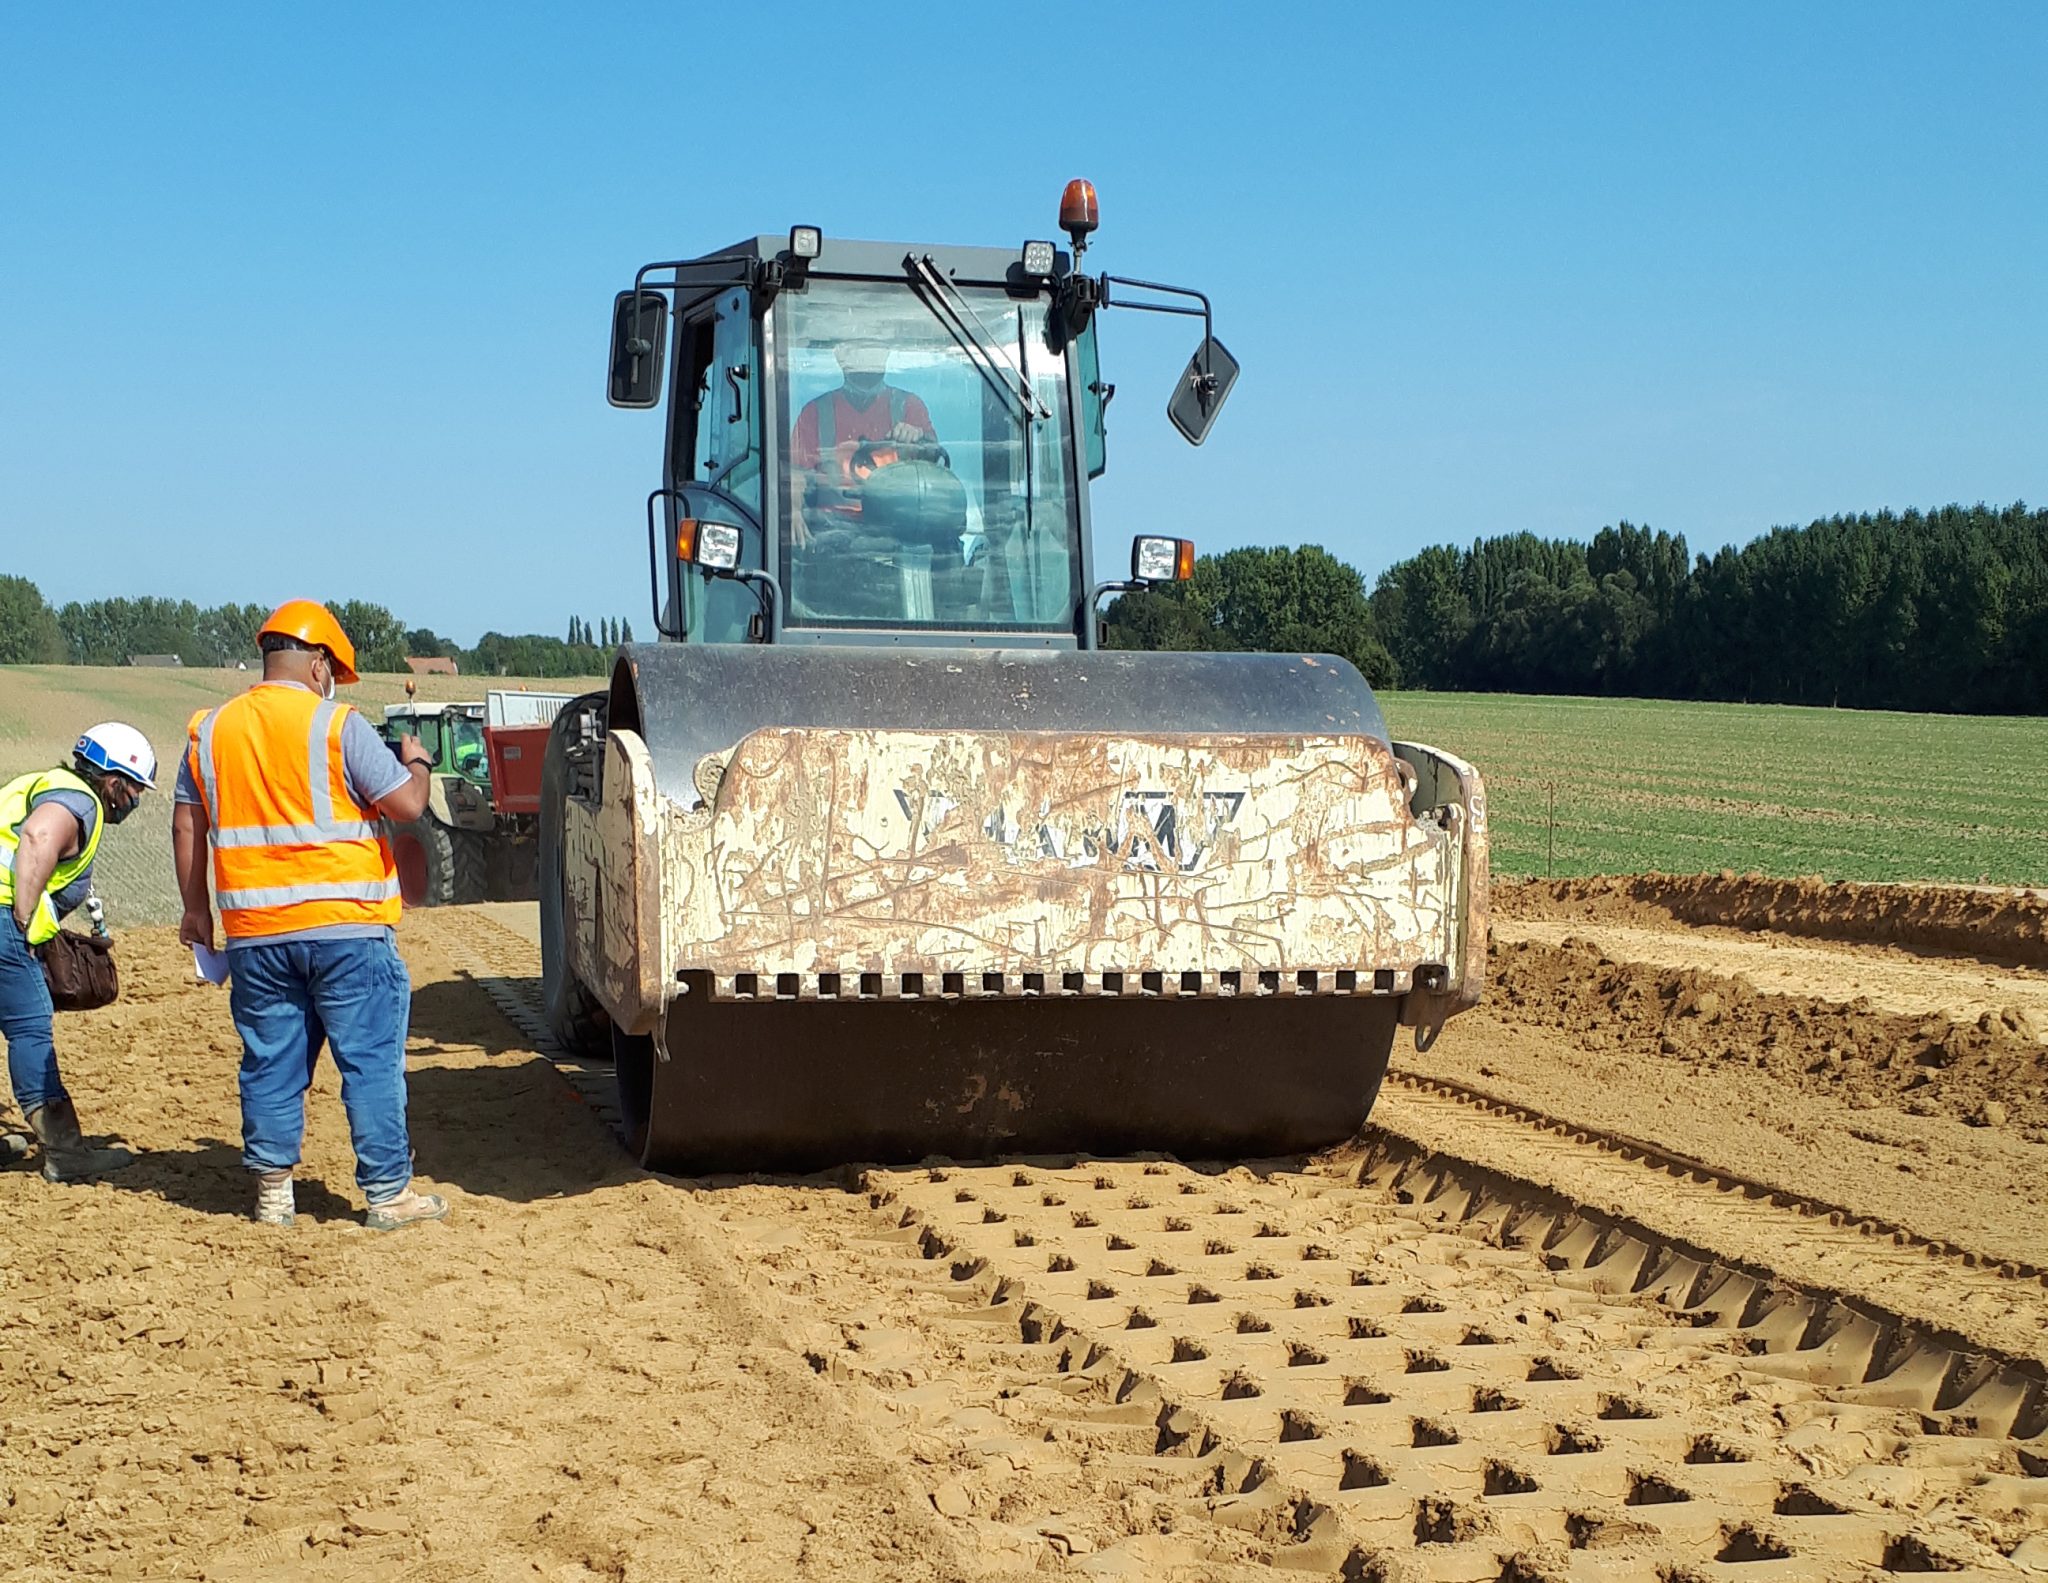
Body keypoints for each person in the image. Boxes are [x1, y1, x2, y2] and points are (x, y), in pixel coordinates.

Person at [171, 599, 449, 1231]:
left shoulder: (209, 732)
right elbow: (407, 805)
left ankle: (273, 1194)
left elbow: (188, 824)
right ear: (319, 663)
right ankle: (388, 1195)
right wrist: (418, 762)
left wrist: (196, 910)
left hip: (256, 937)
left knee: (270, 1061)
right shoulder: (337, 726)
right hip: (348, 931)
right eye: (334, 673)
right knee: (369, 1061)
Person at [0, 722, 156, 1181]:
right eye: (135, 789)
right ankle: (65, 1152)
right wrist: (24, 918)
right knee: (30, 1025)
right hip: (2, 914)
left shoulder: (44, 783)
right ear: (113, 781)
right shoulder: (79, 800)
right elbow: (37, 837)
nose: (135, 799)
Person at [789, 338, 938, 536]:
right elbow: (794, 473)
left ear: (887, 352)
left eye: (874, 348)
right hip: (831, 531)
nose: (867, 358)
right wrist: (793, 510)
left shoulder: (910, 407)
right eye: (857, 350)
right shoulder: (814, 412)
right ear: (839, 355)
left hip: (898, 529)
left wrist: (918, 441)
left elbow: (935, 469)